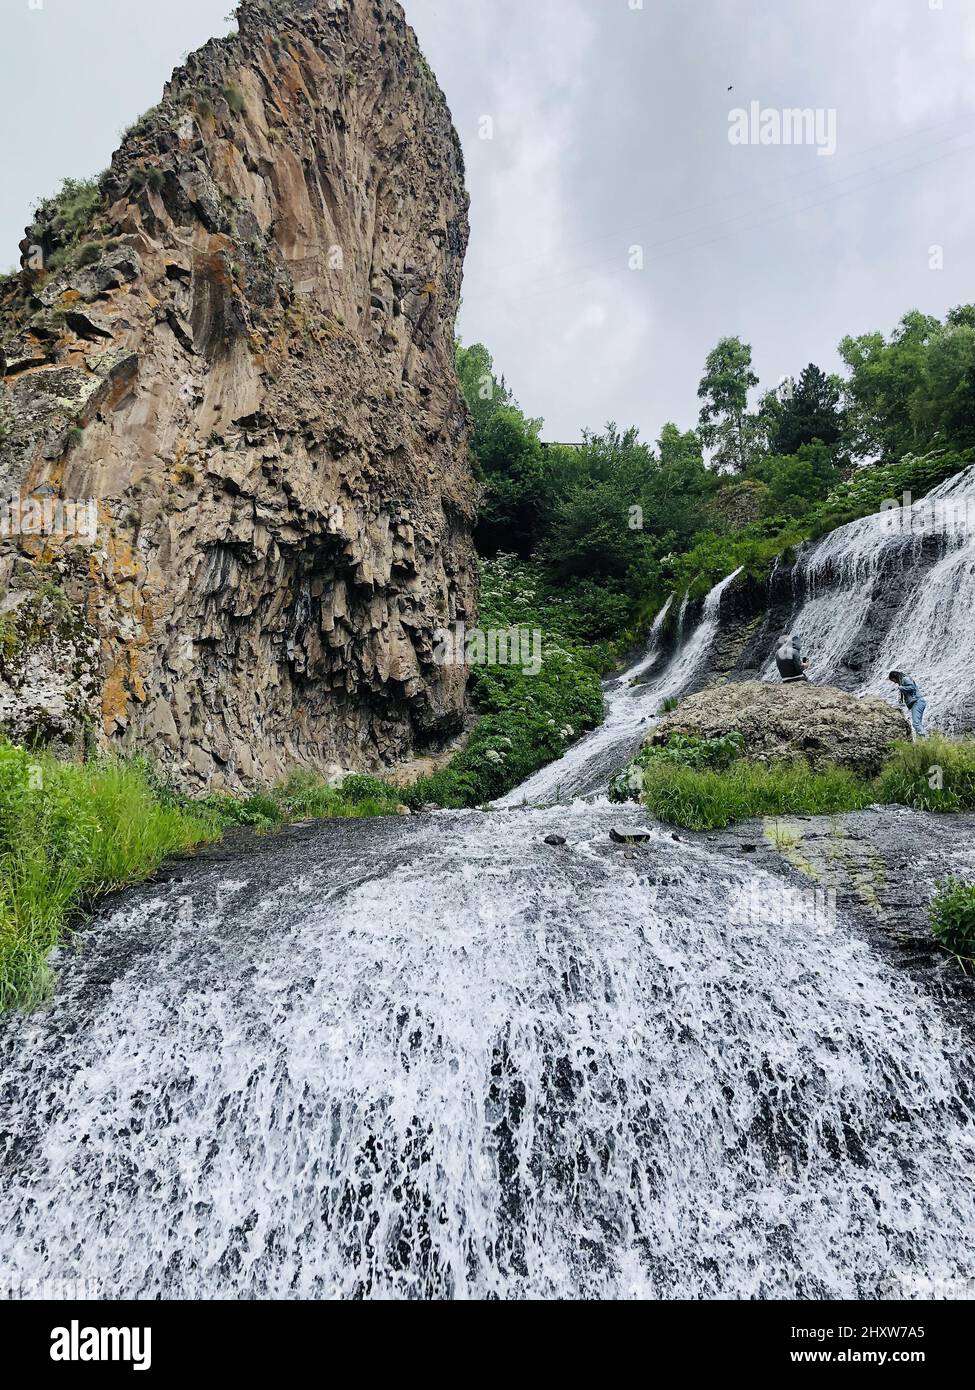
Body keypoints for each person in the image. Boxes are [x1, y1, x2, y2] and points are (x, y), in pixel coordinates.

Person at [889, 670, 926, 737]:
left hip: (917, 702)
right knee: (917, 723)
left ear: (895, 677)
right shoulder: (903, 679)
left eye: (893, 680)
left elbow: (912, 687)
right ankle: (920, 741)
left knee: (916, 723)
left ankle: (924, 739)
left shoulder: (905, 679)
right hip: (917, 702)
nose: (894, 682)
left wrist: (901, 688)